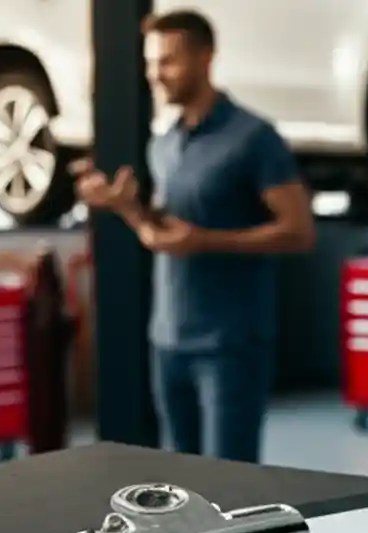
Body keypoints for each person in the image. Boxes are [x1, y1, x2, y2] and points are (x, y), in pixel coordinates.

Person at [73, 10, 315, 463]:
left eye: (168, 62)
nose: (156, 75)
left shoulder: (254, 138)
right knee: (184, 483)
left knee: (231, 481)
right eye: (152, 63)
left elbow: (299, 233)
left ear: (205, 58)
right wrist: (122, 206)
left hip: (230, 345)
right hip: (168, 340)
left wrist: (206, 241)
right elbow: (162, 233)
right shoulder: (165, 144)